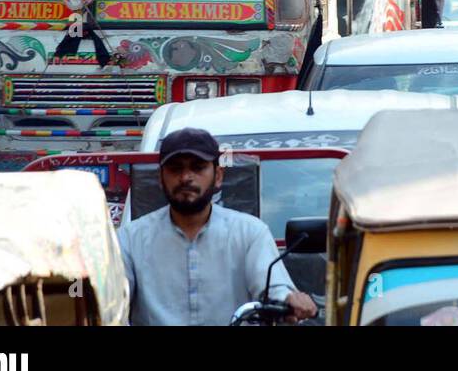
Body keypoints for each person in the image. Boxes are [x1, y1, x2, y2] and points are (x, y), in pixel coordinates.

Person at [118, 128, 318, 326]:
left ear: (218, 176)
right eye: (176, 169)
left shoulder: (250, 232)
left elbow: (274, 288)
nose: (186, 177)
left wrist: (289, 300)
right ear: (160, 178)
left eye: (197, 168)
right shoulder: (130, 238)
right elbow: (111, 301)